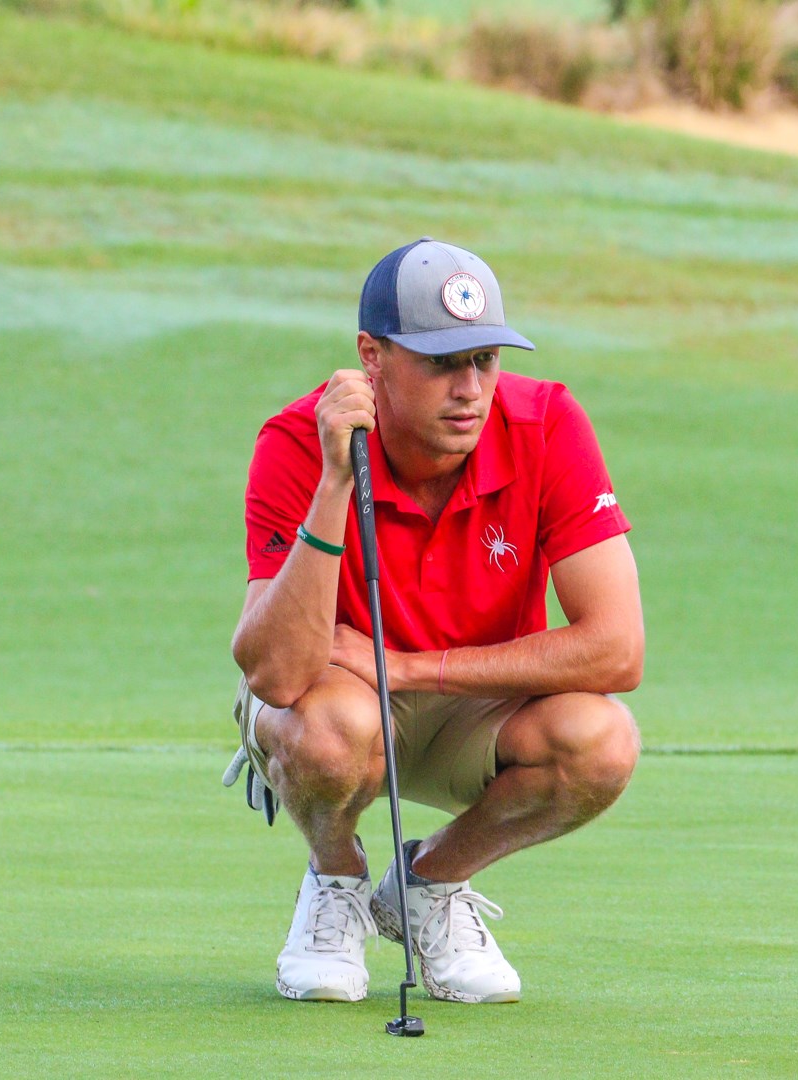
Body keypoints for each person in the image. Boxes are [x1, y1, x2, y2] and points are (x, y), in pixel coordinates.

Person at [226, 239, 644, 1004]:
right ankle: (337, 880)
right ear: (371, 357)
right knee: (326, 732)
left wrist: (416, 667)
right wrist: (332, 485)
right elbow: (274, 673)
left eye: (484, 360)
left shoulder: (547, 423)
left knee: (604, 740)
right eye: (441, 362)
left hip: (473, 710)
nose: (470, 388)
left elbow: (617, 649)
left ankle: (427, 885)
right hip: (336, 706)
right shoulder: (295, 442)